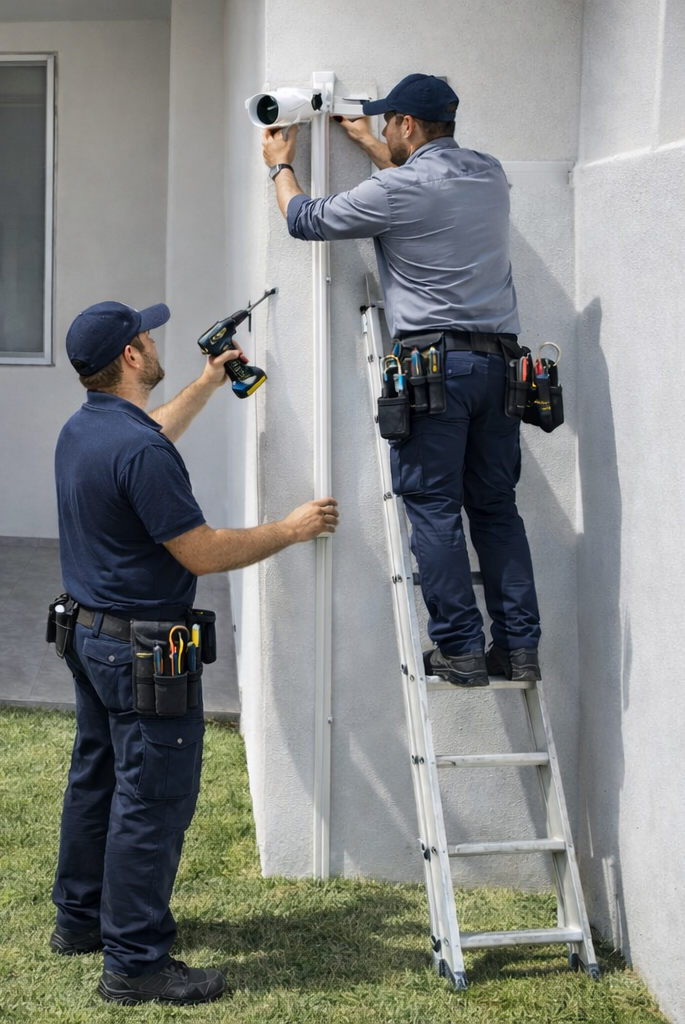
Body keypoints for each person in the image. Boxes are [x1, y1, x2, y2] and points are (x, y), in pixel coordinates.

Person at [51, 299, 338, 1005]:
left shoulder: (86, 431)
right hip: (146, 650)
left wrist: (210, 383)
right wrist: (290, 530)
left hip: (89, 635)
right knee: (150, 800)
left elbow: (147, 437)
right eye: (146, 338)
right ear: (130, 357)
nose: (153, 344)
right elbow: (200, 552)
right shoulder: (141, 450)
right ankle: (136, 963)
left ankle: (79, 920)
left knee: (98, 778)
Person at [262, 73, 541, 687]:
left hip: (436, 369)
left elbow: (306, 219)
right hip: (502, 369)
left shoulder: (395, 190)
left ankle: (461, 650)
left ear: (408, 126)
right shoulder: (489, 174)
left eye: (389, 122)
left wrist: (280, 166)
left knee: (435, 511)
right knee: (495, 510)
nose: (384, 129)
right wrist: (372, 145)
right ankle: (519, 649)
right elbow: (422, 179)